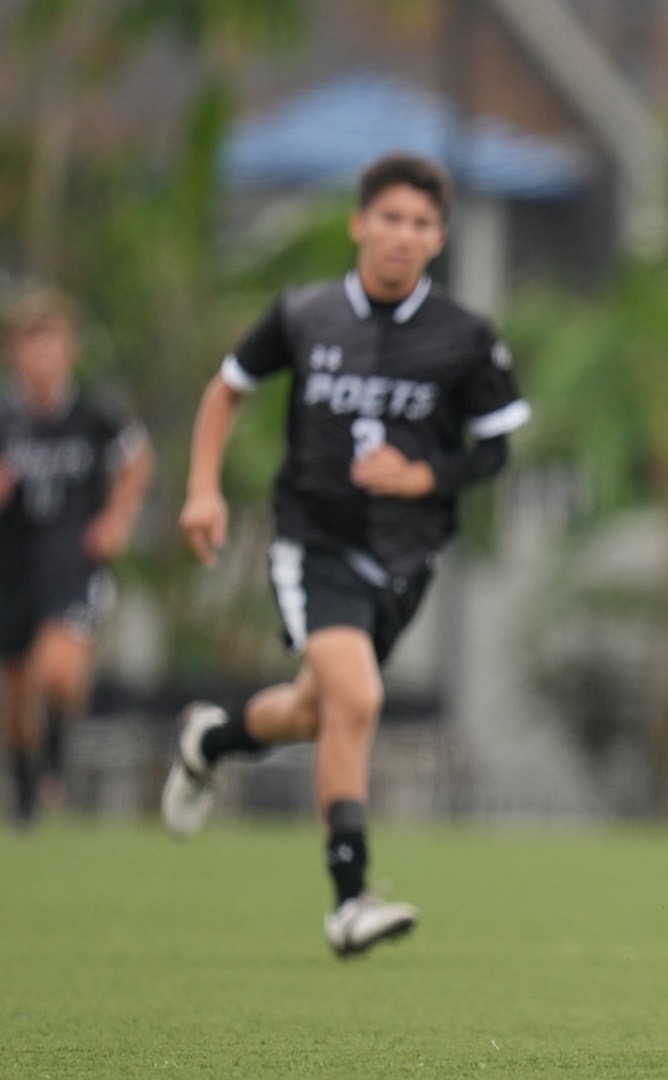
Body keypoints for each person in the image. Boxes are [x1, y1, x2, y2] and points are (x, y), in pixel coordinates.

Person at [162, 152, 530, 956]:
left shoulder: (464, 337)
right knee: (357, 700)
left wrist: (425, 474)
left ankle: (209, 743)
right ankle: (350, 898)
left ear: (439, 239)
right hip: (314, 542)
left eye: (422, 223)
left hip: (404, 559)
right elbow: (227, 389)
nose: (404, 235)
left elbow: (496, 449)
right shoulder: (305, 314)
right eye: (390, 218)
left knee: (314, 712)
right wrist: (202, 489)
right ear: (360, 224)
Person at [0, 287, 153, 826]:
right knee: (15, 698)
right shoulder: (5, 416)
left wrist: (117, 519)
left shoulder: (93, 413)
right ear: (15, 351)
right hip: (11, 565)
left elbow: (136, 458)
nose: (42, 355)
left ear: (69, 350)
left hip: (71, 562)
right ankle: (26, 788)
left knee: (59, 672)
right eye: (31, 343)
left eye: (52, 343)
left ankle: (57, 754)